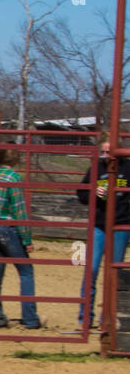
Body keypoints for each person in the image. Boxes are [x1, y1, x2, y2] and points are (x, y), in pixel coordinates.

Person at [0, 148, 43, 329]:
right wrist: (27, 239)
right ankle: (30, 319)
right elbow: (20, 210)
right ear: (15, 161)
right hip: (6, 228)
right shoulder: (14, 178)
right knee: (26, 271)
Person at [75, 133, 128, 330]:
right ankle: (85, 318)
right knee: (92, 269)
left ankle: (107, 318)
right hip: (99, 225)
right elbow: (81, 193)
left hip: (120, 225)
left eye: (108, 152)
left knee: (114, 274)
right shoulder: (96, 168)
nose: (105, 156)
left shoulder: (127, 168)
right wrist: (93, 191)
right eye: (103, 152)